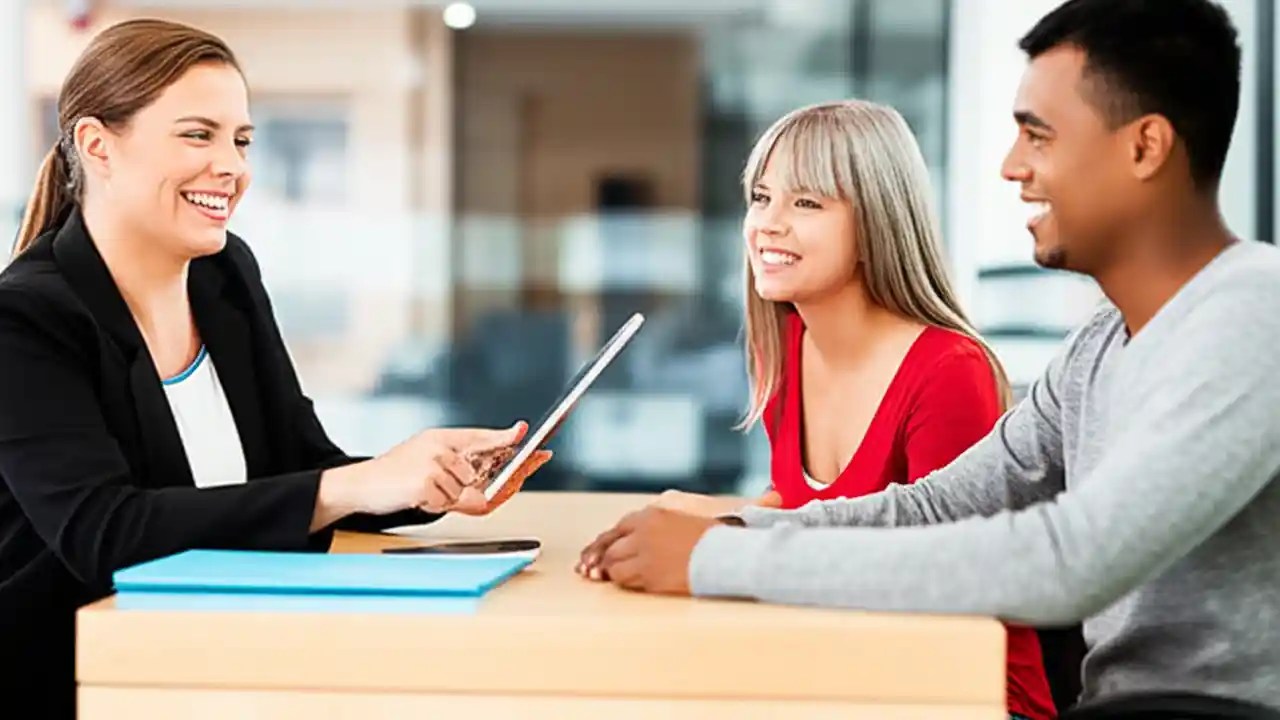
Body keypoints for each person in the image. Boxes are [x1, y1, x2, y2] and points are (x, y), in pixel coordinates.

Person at [578, 0, 1280, 715]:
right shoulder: (1097, 349)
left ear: (1144, 148)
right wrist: (733, 529)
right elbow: (936, 506)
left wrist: (717, 559)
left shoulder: (1252, 315)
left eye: (1038, 137)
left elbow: (1073, 559)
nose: (1012, 168)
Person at [0, 19, 549, 718]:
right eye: (198, 135)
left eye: (241, 140)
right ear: (97, 145)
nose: (231, 166)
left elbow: (300, 465)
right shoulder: (25, 319)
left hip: (221, 658)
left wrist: (423, 484)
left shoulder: (224, 274)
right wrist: (356, 483)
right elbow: (105, 534)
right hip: (73, 680)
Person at [606, 99, 1054, 719]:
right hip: (843, 667)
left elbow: (947, 577)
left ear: (876, 225)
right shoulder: (787, 347)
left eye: (807, 203)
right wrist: (711, 515)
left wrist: (723, 544)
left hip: (969, 694)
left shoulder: (950, 373)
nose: (768, 223)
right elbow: (808, 511)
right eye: (761, 197)